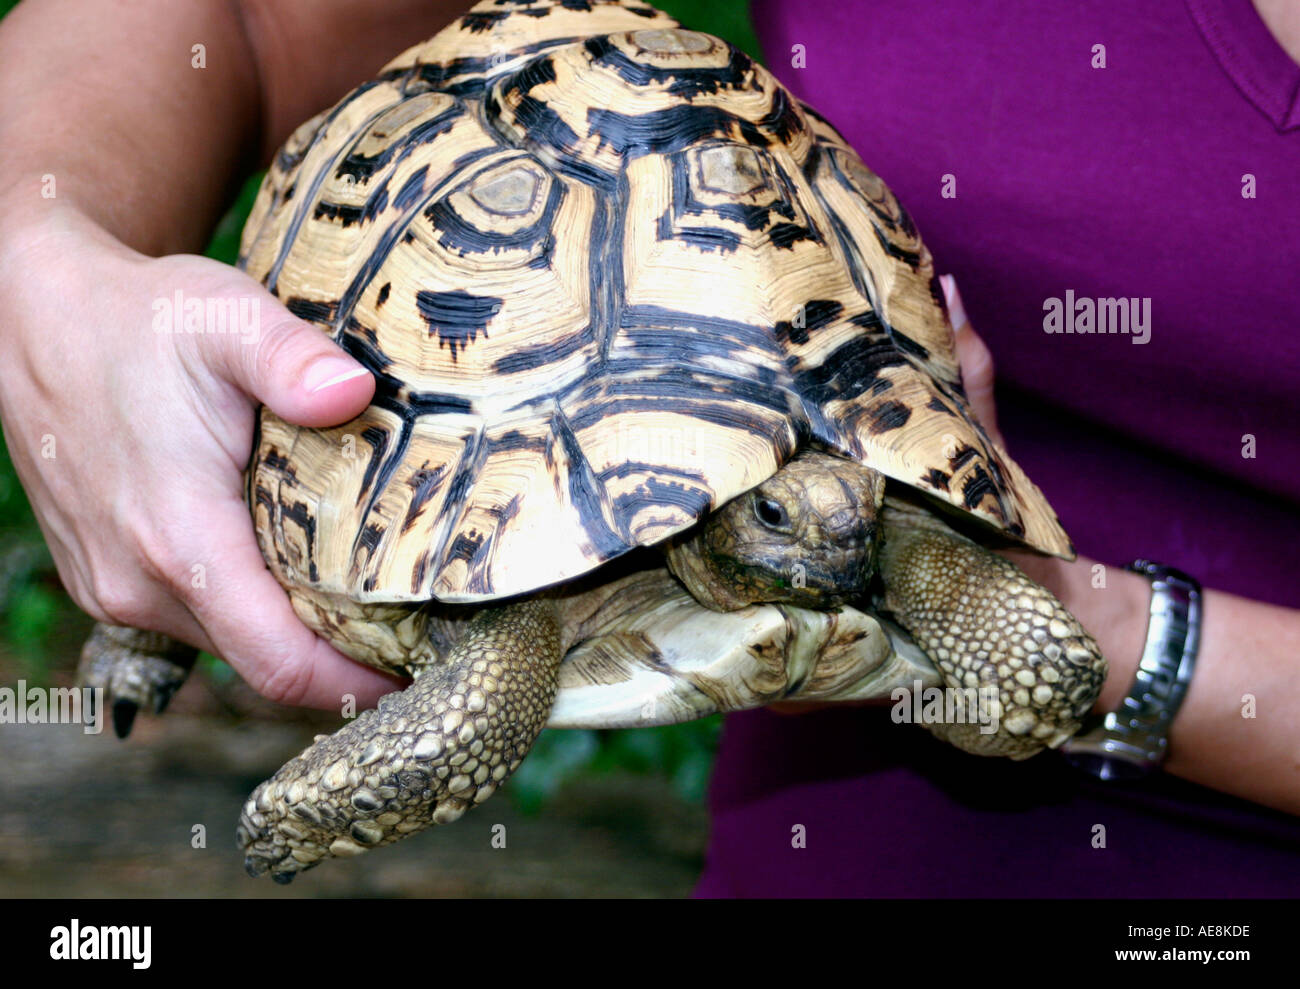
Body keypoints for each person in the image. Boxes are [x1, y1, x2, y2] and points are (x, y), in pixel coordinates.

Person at [0, 0, 1295, 897]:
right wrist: (39, 258)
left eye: (840, 515)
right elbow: (239, 15)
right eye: (791, 521)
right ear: (730, 519)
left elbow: (1012, 636)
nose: (839, 537)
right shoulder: (609, 568)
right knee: (492, 664)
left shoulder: (882, 535)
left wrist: (1112, 641)